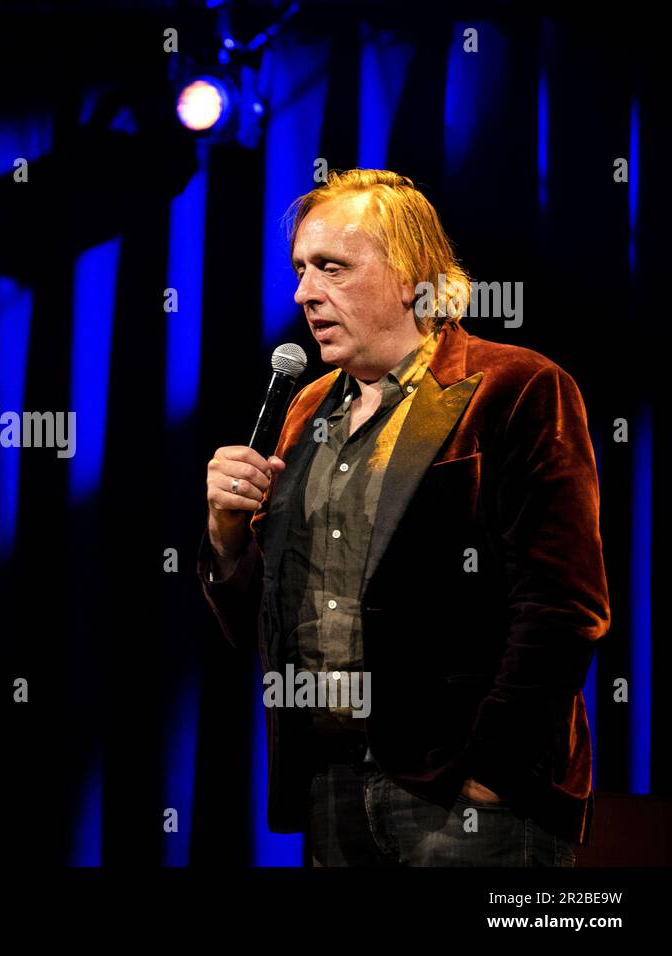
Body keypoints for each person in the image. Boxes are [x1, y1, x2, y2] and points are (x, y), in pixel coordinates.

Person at [198, 169, 608, 866]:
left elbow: (563, 606)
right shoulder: (305, 410)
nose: (304, 292)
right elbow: (270, 617)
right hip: (333, 789)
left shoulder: (515, 386)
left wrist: (490, 773)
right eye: (301, 269)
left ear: (412, 277)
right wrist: (226, 540)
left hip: (465, 796)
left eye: (332, 267)